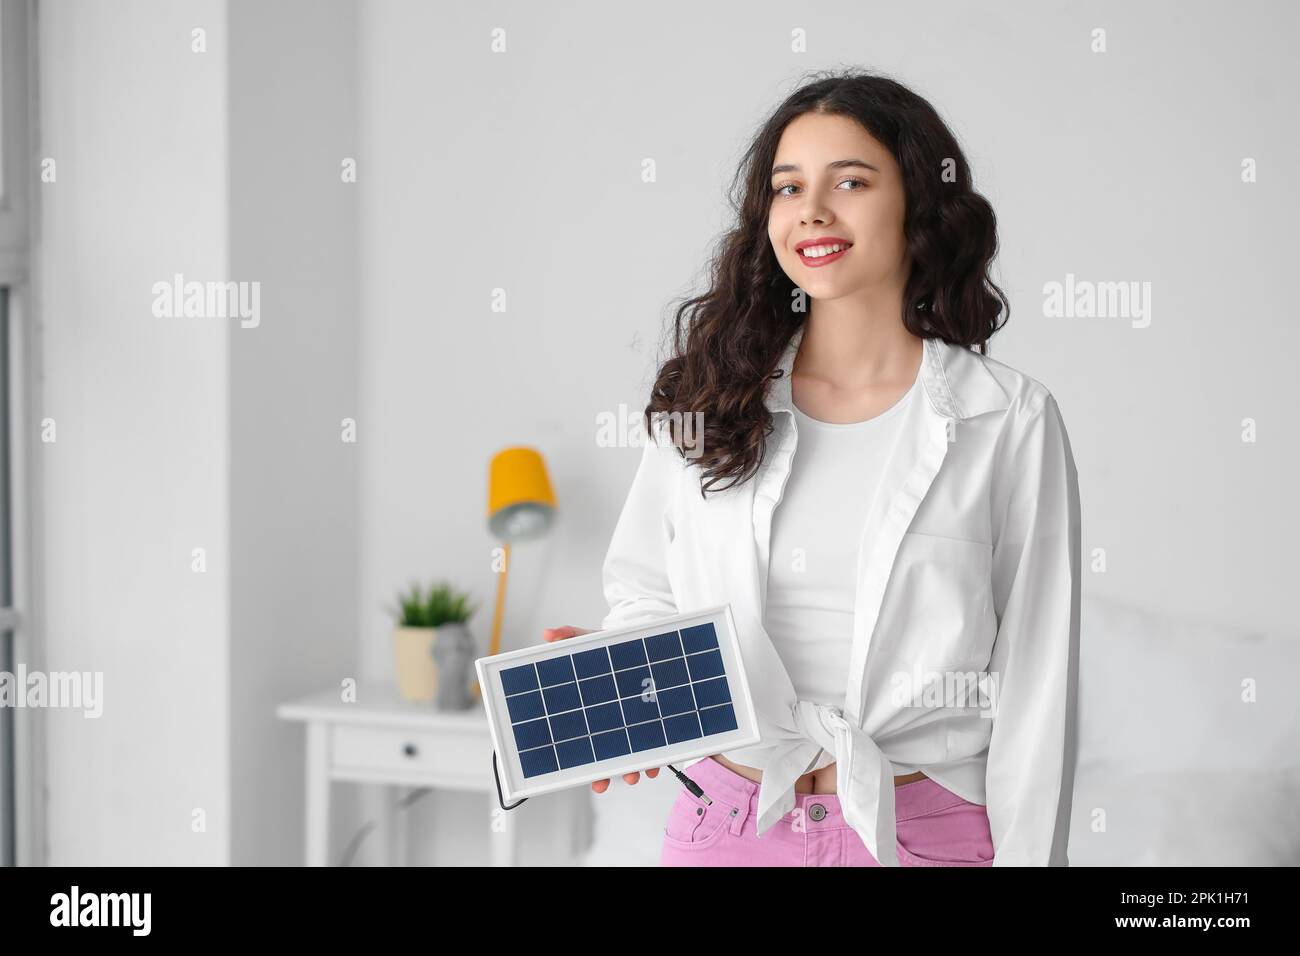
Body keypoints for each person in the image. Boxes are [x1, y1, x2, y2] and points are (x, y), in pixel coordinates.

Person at [545, 69, 1081, 867]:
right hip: (728, 824)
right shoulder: (710, 400)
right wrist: (631, 688)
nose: (813, 212)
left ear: (919, 205)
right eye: (787, 188)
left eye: (851, 182)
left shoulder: (1008, 419)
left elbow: (1038, 681)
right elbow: (646, 590)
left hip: (919, 831)